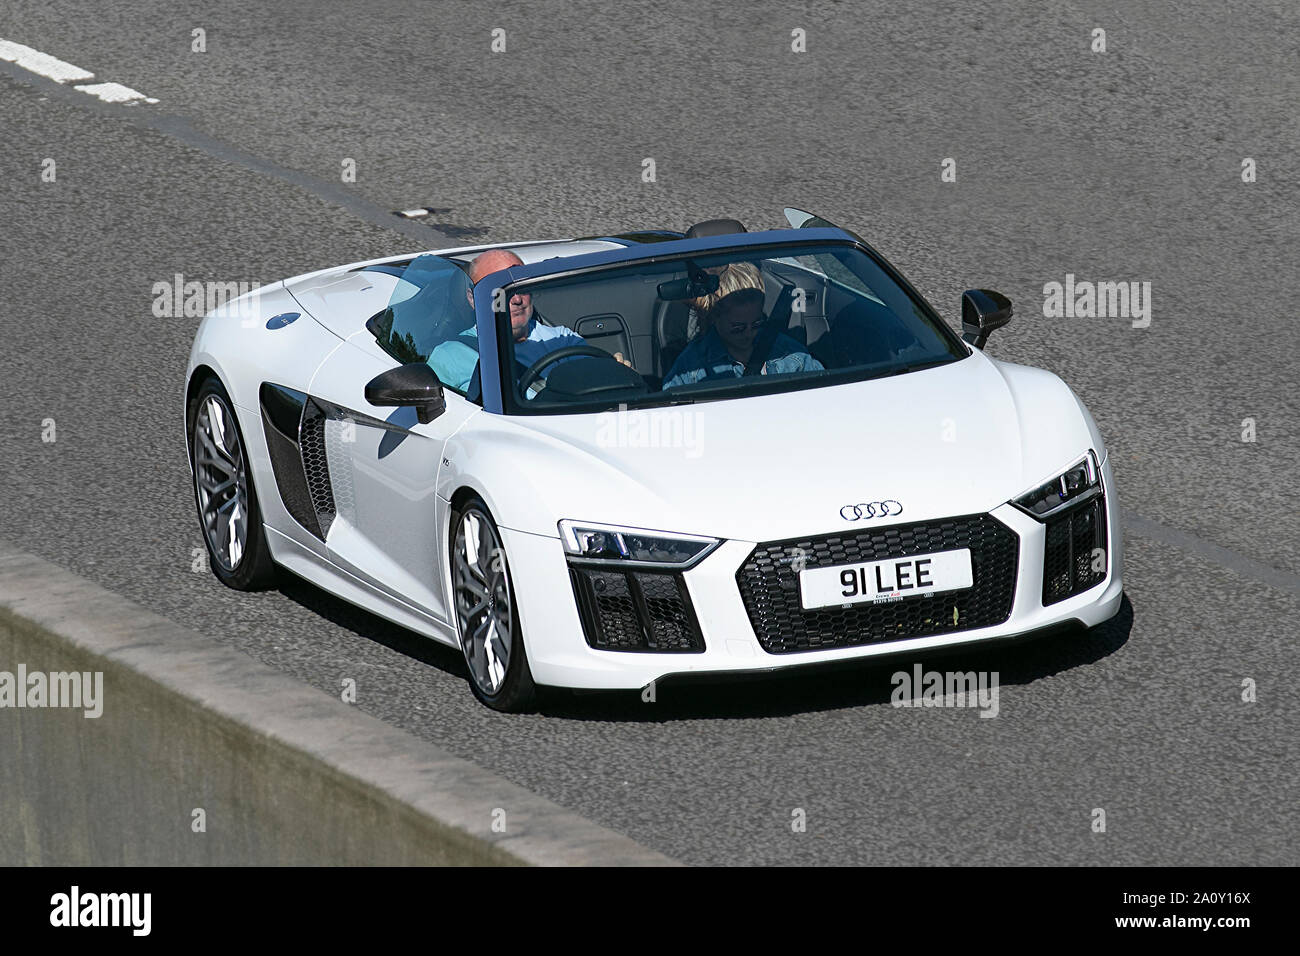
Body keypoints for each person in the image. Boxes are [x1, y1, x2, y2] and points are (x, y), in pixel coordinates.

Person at [430, 248, 629, 393]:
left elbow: (592, 388)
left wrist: (613, 374)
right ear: (473, 299)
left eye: (521, 286)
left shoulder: (562, 340)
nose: (516, 299)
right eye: (501, 290)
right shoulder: (448, 356)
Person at [661, 262, 823, 389]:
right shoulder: (692, 366)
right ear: (714, 317)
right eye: (737, 328)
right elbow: (674, 411)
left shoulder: (790, 353)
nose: (748, 334)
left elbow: (824, 394)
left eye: (757, 324)